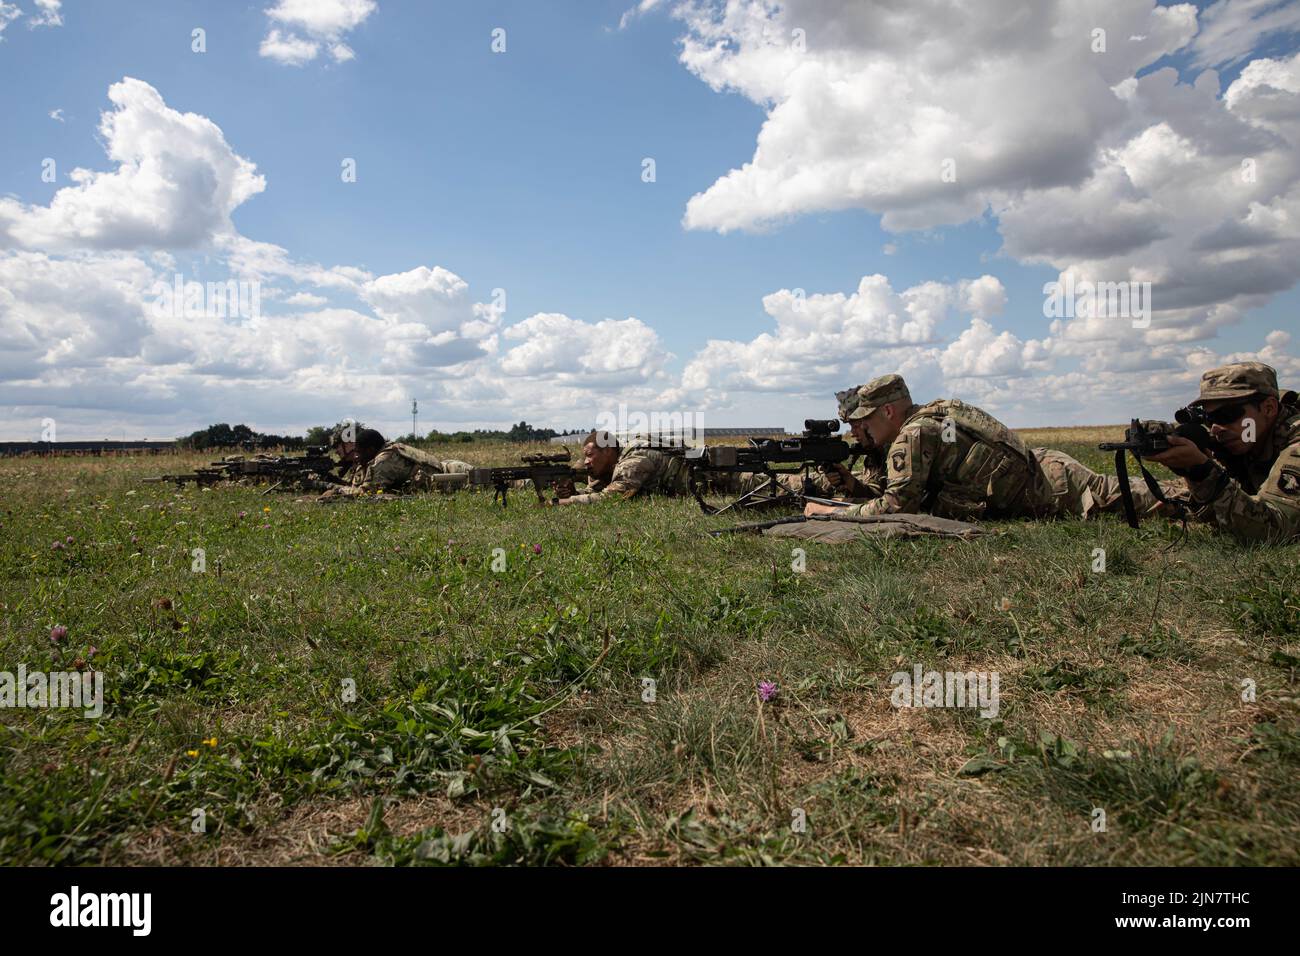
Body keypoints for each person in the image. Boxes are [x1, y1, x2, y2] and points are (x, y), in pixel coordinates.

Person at [805, 374, 1168, 521]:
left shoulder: (913, 434)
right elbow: (899, 491)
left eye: (863, 421)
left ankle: (1212, 489)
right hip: (1045, 471)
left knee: (1154, 500)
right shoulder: (926, 419)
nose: (857, 429)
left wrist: (831, 515)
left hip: (1055, 489)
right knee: (1145, 495)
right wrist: (851, 487)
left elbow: (896, 506)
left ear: (887, 411)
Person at [1145, 362, 1300, 543]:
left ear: (1268, 408)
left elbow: (1276, 530)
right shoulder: (1248, 436)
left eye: (1227, 415)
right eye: (1209, 419)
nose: (1217, 428)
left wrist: (1204, 473)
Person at [320, 428, 472, 498]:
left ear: (371, 449)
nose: (356, 456)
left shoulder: (383, 461)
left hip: (455, 475)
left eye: (359, 451)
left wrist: (328, 487)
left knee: (491, 479)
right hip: (447, 473)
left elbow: (365, 493)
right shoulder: (376, 456)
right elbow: (355, 485)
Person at [557, 430, 690, 504]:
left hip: (702, 484)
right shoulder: (612, 464)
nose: (586, 461)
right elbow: (600, 490)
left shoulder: (631, 462)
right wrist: (574, 493)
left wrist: (563, 501)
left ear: (607, 451)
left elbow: (611, 497)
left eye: (590, 455)